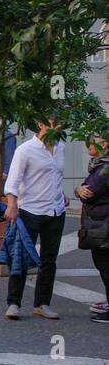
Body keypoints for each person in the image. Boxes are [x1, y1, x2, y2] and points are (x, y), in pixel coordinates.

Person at [2, 120, 67, 320]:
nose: (57, 129)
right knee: (20, 259)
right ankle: (13, 303)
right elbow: (12, 182)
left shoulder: (60, 147)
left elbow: (56, 176)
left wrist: (61, 195)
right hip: (29, 210)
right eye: (53, 124)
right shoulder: (25, 150)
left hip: (55, 211)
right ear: (41, 124)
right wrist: (12, 205)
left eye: (60, 125)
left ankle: (42, 304)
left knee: (49, 260)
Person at [74, 137, 109, 323]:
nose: (88, 145)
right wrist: (78, 190)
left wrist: (78, 190)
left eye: (93, 141)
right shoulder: (100, 166)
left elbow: (89, 192)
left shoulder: (104, 169)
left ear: (104, 145)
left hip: (103, 223)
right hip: (103, 221)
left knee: (105, 264)